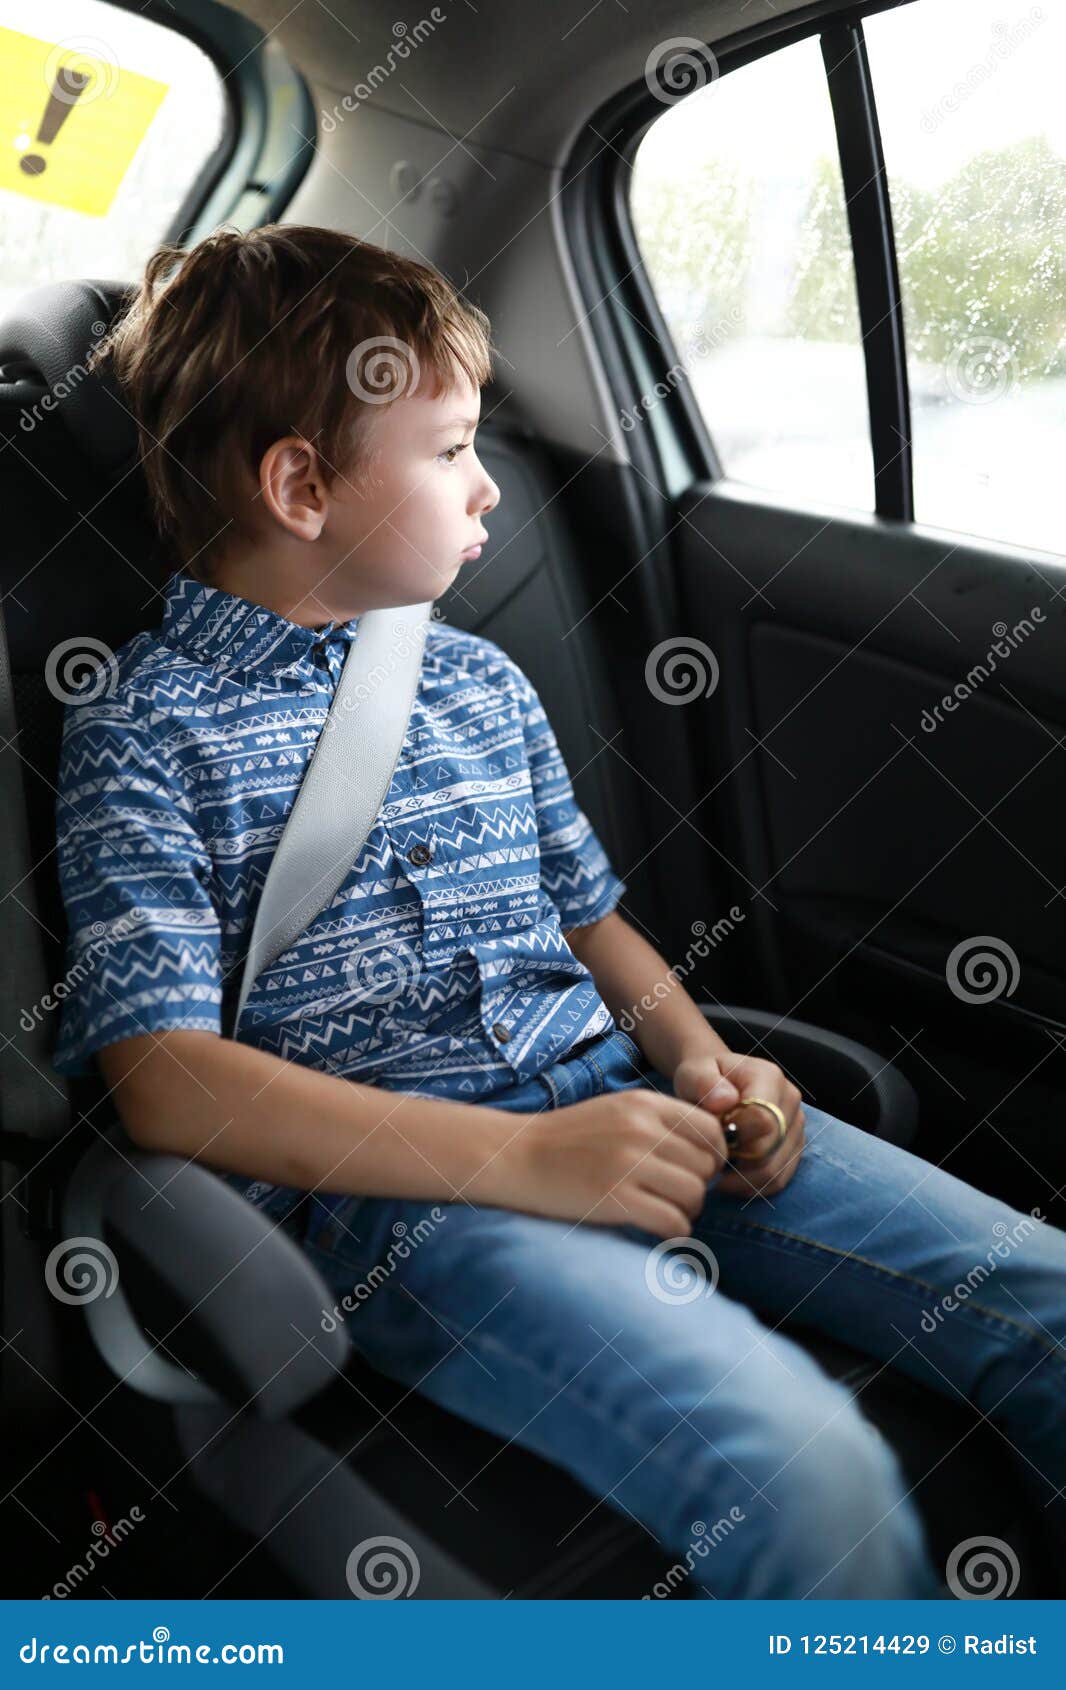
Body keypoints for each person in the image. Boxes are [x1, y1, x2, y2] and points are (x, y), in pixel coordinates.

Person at [51, 223, 1066, 1600]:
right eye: (451, 448)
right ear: (298, 484)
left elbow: (597, 931)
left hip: (630, 1112)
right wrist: (527, 1163)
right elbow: (167, 1084)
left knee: (1045, 1303)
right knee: (806, 1475)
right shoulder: (143, 736)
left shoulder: (474, 685)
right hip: (418, 1206)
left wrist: (700, 1056)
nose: (489, 492)